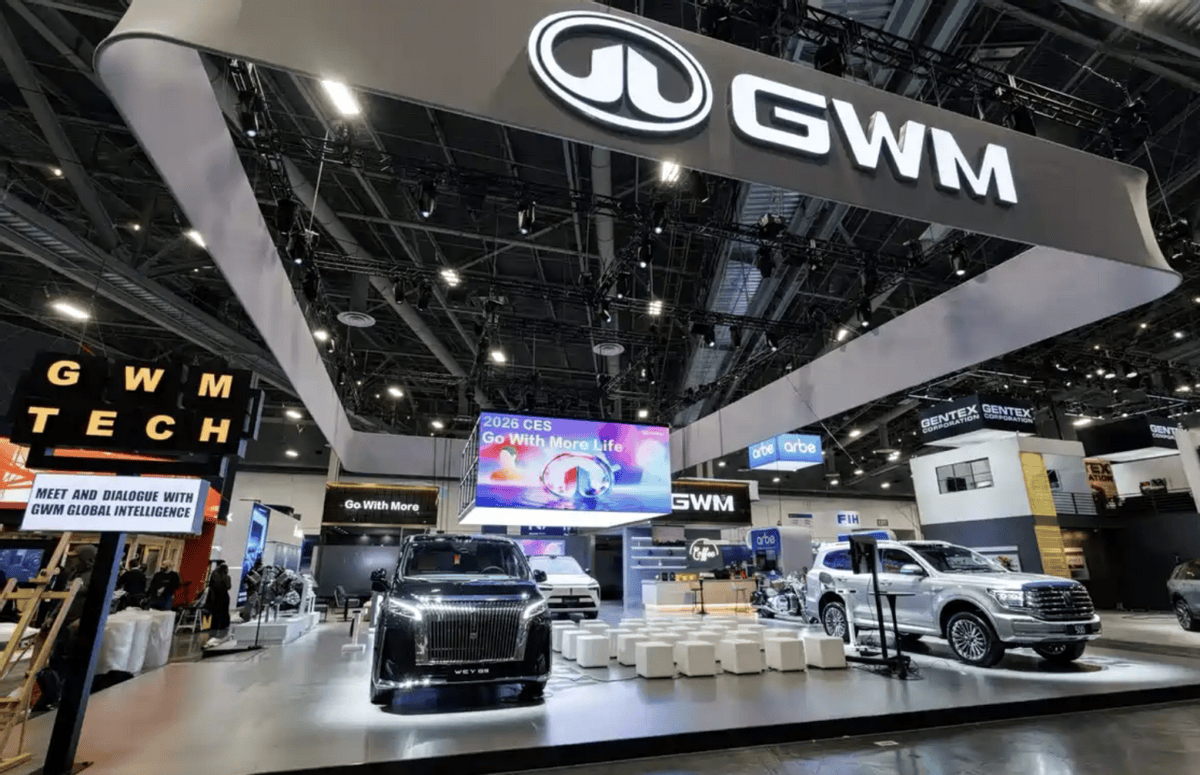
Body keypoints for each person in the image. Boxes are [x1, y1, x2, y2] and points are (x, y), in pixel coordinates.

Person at [205, 561, 232, 636]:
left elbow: (211, 586)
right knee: (224, 611)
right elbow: (229, 587)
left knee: (216, 611)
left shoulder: (215, 577)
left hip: (215, 596)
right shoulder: (227, 577)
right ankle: (224, 625)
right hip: (224, 596)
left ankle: (214, 625)